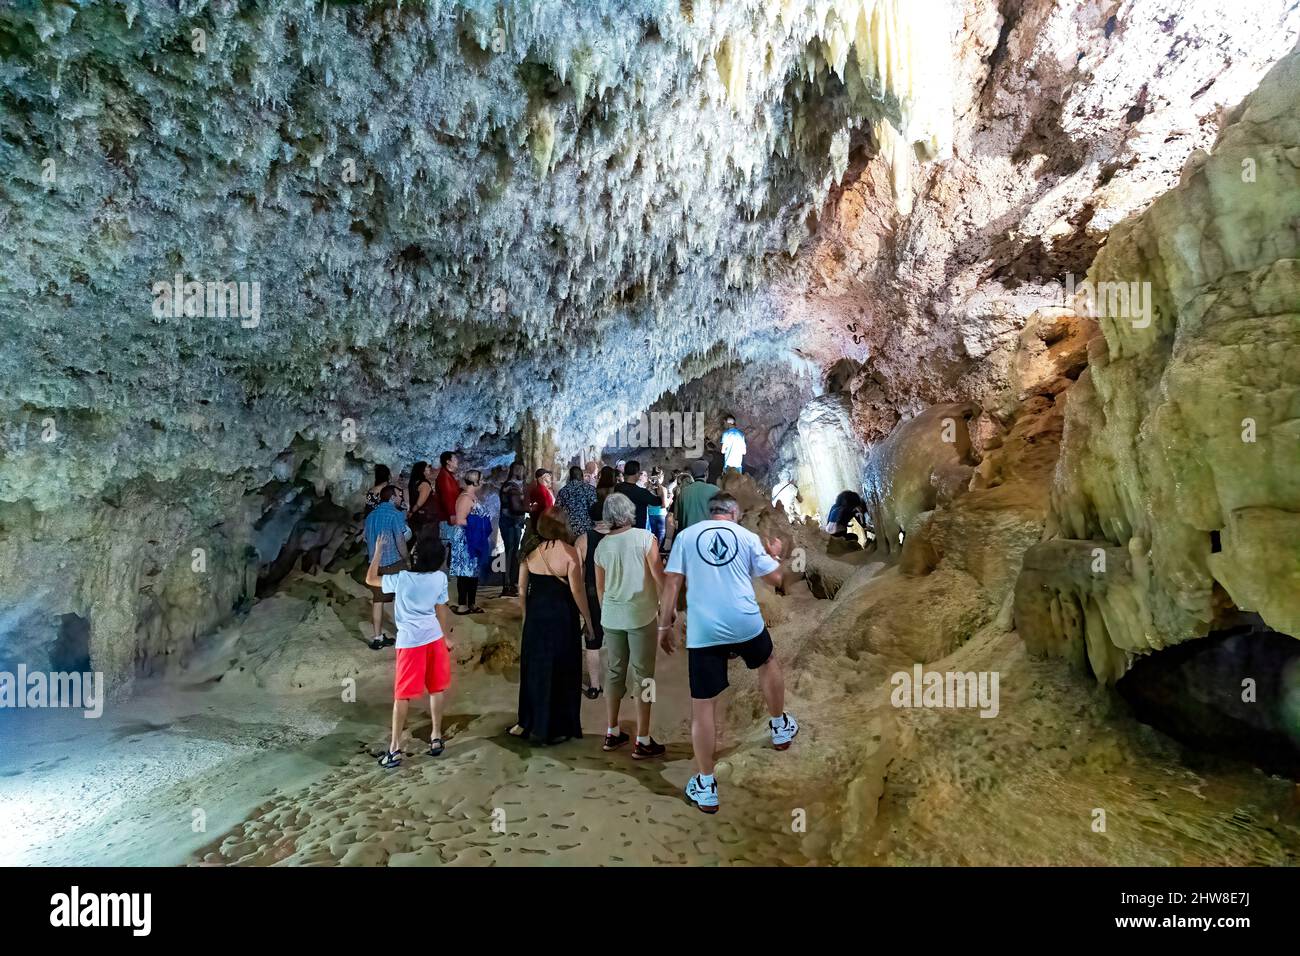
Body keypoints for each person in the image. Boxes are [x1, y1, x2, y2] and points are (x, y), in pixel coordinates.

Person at [657, 493, 799, 814]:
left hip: (705, 629)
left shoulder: (686, 537)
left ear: (711, 514)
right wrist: (775, 555)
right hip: (744, 621)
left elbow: (671, 585)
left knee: (703, 704)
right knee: (766, 662)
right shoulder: (747, 537)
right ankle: (779, 727)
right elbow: (776, 579)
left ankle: (706, 785)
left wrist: (664, 626)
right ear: (733, 513)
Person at [507, 507, 595, 745]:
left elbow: (522, 590)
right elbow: (577, 591)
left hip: (536, 616)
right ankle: (557, 725)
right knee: (562, 670)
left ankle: (528, 721)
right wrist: (588, 621)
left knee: (534, 669)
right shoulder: (570, 553)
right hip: (561, 619)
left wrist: (526, 615)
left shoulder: (530, 552)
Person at [367, 531, 455, 767]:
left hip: (410, 642)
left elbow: (371, 579)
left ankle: (395, 748)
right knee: (436, 688)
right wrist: (445, 637)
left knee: (403, 694)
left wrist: (377, 552)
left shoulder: (403, 578)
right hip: (433, 638)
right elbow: (441, 609)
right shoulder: (439, 578)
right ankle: (436, 737)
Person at [593, 493, 665, 758]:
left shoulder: (602, 547)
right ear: (629, 513)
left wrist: (608, 612)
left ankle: (612, 731)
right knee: (644, 675)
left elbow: (600, 588)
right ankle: (643, 739)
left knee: (614, 672)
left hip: (612, 616)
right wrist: (669, 608)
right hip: (640, 615)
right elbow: (659, 576)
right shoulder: (645, 539)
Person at [363, 485, 410, 650]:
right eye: (399, 495)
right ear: (391, 497)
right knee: (403, 598)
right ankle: (406, 635)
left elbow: (366, 539)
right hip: (394, 563)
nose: (401, 498)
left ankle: (377, 637)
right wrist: (407, 558)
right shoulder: (395, 515)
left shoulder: (370, 516)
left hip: (375, 566)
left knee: (378, 600)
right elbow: (400, 540)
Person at [575, 499, 610, 700]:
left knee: (592, 640)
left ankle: (594, 686)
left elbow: (578, 574)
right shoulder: (621, 538)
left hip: (592, 595)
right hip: (617, 594)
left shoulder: (583, 540)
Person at [448, 470, 490, 614]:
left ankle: (471, 603)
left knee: (473, 572)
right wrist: (480, 524)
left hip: (473, 538)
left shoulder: (473, 497)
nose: (483, 482)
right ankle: (462, 605)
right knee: (464, 573)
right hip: (465, 539)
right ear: (475, 482)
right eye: (481, 479)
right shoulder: (465, 498)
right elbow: (460, 520)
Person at [499, 463, 527, 597]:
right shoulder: (510, 486)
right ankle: (507, 585)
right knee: (510, 552)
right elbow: (515, 507)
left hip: (513, 522)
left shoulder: (512, 485)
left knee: (514, 551)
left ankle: (512, 583)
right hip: (510, 523)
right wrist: (530, 508)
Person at [613, 460, 661, 532]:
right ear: (637, 474)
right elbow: (658, 502)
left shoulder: (618, 487)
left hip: (620, 529)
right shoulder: (641, 492)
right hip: (637, 531)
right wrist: (660, 490)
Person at [673, 459, 720, 531]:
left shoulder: (683, 493)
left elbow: (678, 519)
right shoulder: (716, 490)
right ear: (706, 473)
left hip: (688, 536)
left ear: (692, 474)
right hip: (708, 536)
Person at [555, 464, 597, 541]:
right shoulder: (591, 489)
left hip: (569, 532)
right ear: (582, 477)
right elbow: (595, 509)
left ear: (570, 477)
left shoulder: (562, 492)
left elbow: (557, 511)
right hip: (588, 532)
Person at [434, 450, 461, 546]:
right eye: (455, 459)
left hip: (448, 517)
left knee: (449, 547)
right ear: (448, 462)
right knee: (448, 547)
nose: (457, 460)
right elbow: (447, 496)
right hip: (447, 519)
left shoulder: (448, 475)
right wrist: (452, 515)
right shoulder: (445, 477)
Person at [406, 460, 437, 535]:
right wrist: (411, 512)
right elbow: (420, 503)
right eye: (428, 467)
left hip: (417, 516)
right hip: (423, 517)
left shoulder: (413, 482)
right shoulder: (424, 484)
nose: (430, 469)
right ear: (422, 470)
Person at [645, 467, 669, 550]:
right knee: (660, 539)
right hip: (661, 515)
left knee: (651, 538)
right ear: (661, 477)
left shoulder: (647, 489)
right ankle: (658, 557)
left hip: (650, 515)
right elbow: (664, 505)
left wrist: (648, 484)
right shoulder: (663, 489)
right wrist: (670, 499)